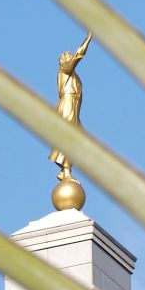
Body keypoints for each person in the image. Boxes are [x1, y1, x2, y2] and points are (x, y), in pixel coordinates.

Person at [49, 31, 92, 181]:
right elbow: (78, 57)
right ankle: (66, 171)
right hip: (68, 104)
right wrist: (88, 40)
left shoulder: (72, 75)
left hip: (73, 105)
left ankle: (65, 170)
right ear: (62, 62)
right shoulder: (64, 69)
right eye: (65, 55)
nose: (68, 55)